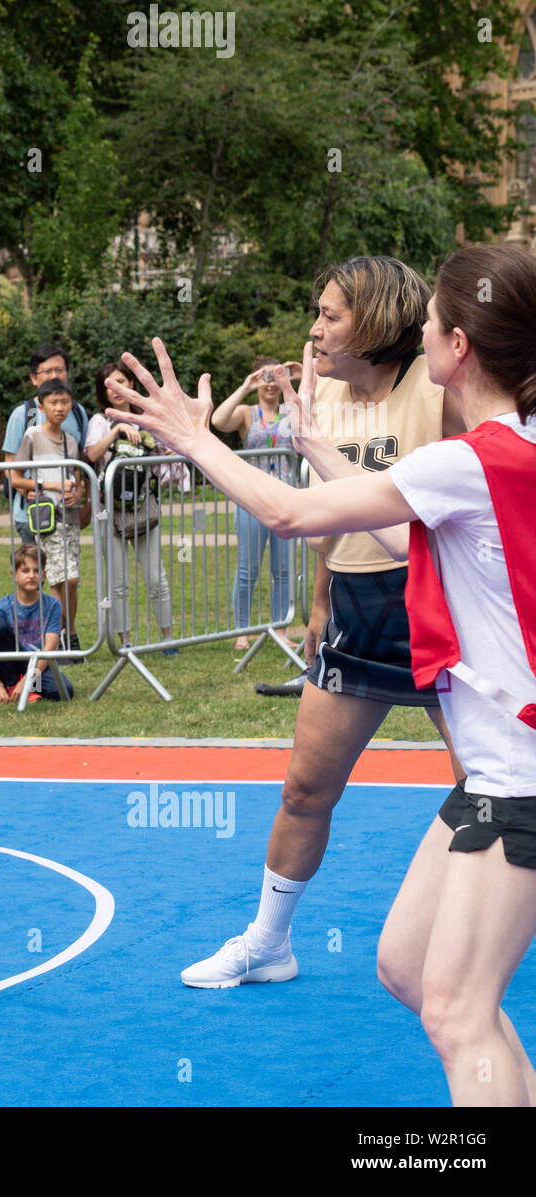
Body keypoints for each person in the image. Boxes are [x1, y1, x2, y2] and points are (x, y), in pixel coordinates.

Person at [108, 242, 536, 1105]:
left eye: (432, 322)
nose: (421, 328)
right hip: (498, 776)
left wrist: (194, 437)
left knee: (457, 1010)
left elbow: (286, 513)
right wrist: (314, 443)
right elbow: (401, 531)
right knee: (407, 967)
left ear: (459, 348)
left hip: (519, 777)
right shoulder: (502, 454)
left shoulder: (471, 457)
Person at [170, 258, 466, 989]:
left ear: (375, 321)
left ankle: (492, 921)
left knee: (492, 787)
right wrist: (322, 598)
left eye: (331, 314)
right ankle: (268, 942)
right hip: (359, 609)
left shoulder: (438, 391)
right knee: (305, 788)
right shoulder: (320, 398)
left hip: (442, 605)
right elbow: (327, 516)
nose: (315, 327)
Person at [85, 362, 178, 654]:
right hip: (109, 512)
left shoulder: (148, 418)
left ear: (132, 385)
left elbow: (166, 452)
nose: (116, 389)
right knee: (118, 582)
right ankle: (125, 642)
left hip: (143, 509)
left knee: (155, 577)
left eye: (121, 382)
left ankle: (167, 639)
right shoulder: (99, 421)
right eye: (109, 385)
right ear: (103, 390)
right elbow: (91, 454)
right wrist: (116, 430)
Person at [2, 345, 88, 652]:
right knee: (41, 579)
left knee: (69, 578)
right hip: (34, 516)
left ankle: (68, 634)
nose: (60, 406)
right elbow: (12, 472)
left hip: (67, 515)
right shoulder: (23, 419)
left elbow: (81, 467)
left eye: (60, 370)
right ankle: (46, 639)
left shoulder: (76, 420)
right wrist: (47, 485)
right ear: (35, 380)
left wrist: (80, 492)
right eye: (47, 371)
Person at [211, 356, 300, 650]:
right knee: (248, 568)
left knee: (283, 569)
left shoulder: (292, 409)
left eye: (276, 376)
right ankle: (242, 632)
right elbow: (218, 421)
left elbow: (322, 411)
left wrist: (298, 378)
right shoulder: (246, 413)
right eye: (265, 378)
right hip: (252, 500)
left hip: (285, 499)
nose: (271, 384)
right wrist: (245, 386)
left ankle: (280, 629)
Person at [0, 544, 73, 702]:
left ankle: (27, 688)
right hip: (11, 664)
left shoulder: (53, 605)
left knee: (64, 691)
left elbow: (49, 649)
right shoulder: (3, 606)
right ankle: (10, 685)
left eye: (36, 571)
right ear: (14, 575)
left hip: (38, 665)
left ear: (43, 575)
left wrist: (27, 680)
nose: (32, 575)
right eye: (25, 571)